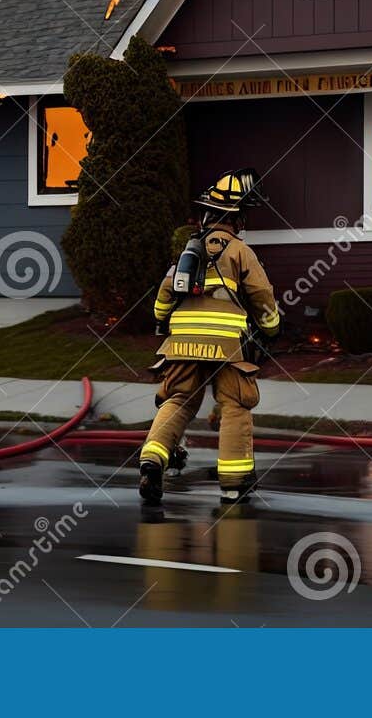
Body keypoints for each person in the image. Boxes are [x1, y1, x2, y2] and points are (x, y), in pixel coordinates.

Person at [139, 170, 281, 505]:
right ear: (236, 218)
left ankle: (152, 460)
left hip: (183, 343)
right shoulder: (239, 251)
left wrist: (161, 320)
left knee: (178, 400)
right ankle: (234, 483)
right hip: (227, 346)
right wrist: (273, 327)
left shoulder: (190, 251)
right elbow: (262, 296)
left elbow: (164, 295)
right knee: (234, 404)